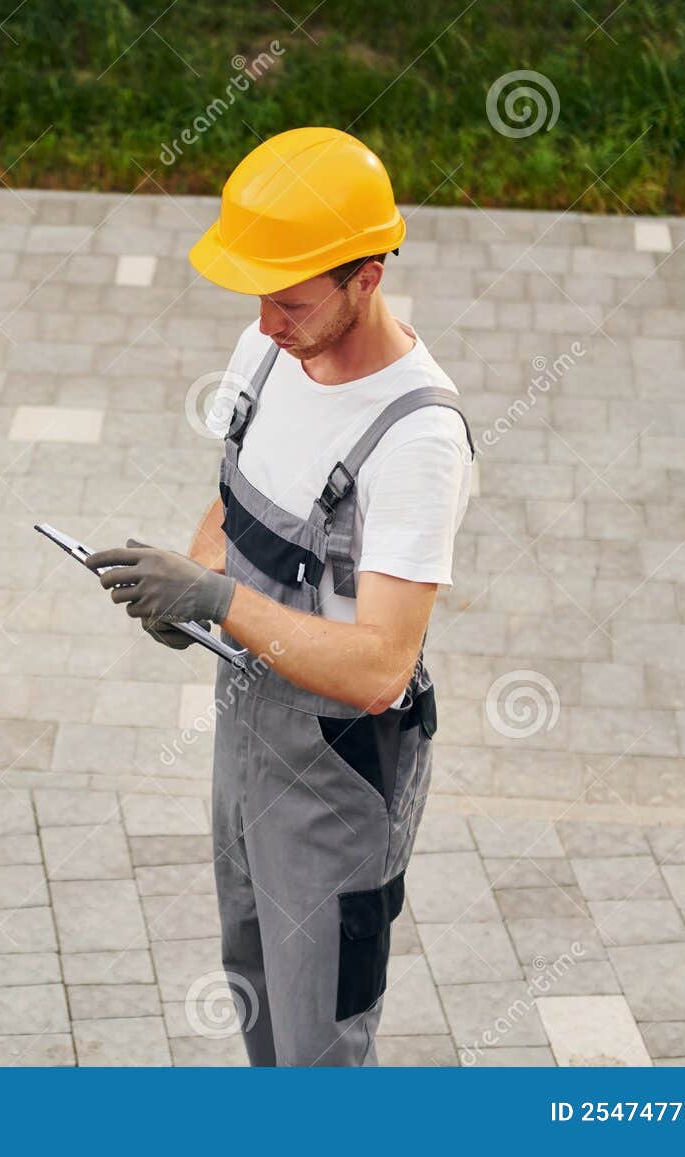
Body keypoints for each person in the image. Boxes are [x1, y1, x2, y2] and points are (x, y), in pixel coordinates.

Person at [86, 127, 475, 1066]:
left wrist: (217, 600)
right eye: (260, 294)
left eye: (292, 299)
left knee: (320, 1045)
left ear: (367, 277)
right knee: (252, 984)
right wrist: (183, 586)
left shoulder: (418, 439)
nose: (266, 321)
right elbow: (235, 491)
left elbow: (382, 667)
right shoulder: (268, 349)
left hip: (338, 772)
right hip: (245, 731)